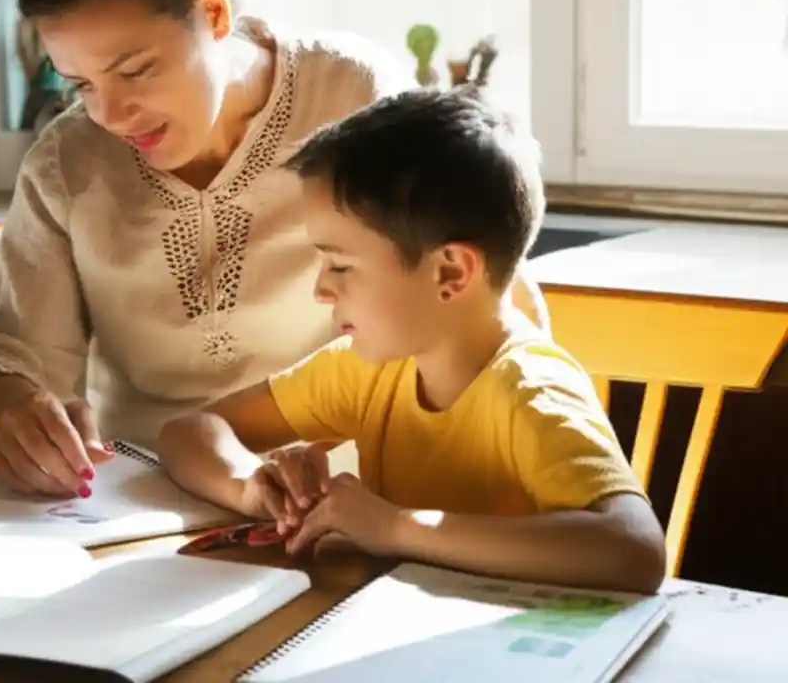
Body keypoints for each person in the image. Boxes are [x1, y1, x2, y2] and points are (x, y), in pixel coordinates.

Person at [0, 0, 549, 500]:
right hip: (134, 507)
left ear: (212, 10)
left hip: (342, 506)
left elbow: (486, 307)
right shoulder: (67, 164)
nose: (109, 114)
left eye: (134, 70)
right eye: (81, 84)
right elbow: (4, 353)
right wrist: (8, 413)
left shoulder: (355, 94)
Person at [156, 89, 666, 594]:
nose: (321, 288)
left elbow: (635, 549)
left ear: (450, 272)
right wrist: (249, 485)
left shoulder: (531, 392)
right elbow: (189, 431)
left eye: (341, 265)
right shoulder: (372, 370)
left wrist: (399, 527)